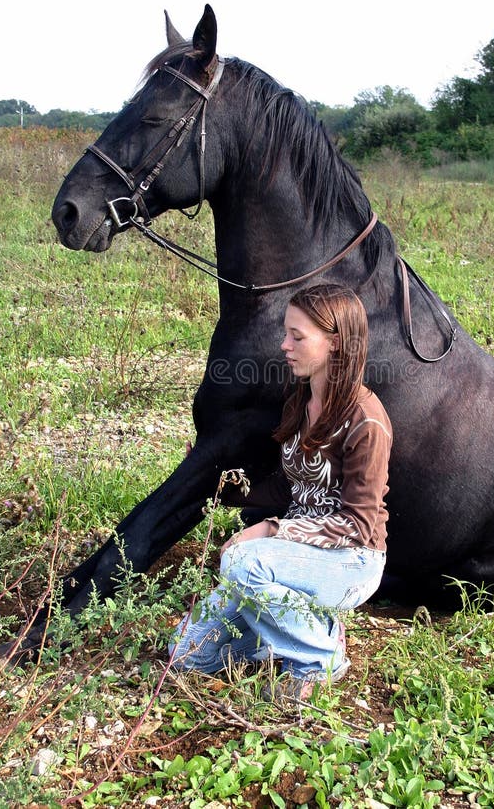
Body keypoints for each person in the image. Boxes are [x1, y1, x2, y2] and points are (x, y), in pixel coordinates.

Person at [168, 283, 392, 702]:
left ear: (335, 342)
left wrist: (272, 531)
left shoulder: (366, 420)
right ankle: (307, 630)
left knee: (242, 561)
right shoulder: (301, 399)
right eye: (286, 332)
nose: (284, 345)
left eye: (297, 336)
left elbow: (359, 524)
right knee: (186, 652)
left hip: (351, 562)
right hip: (292, 561)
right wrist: (220, 487)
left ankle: (319, 656)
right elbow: (287, 485)